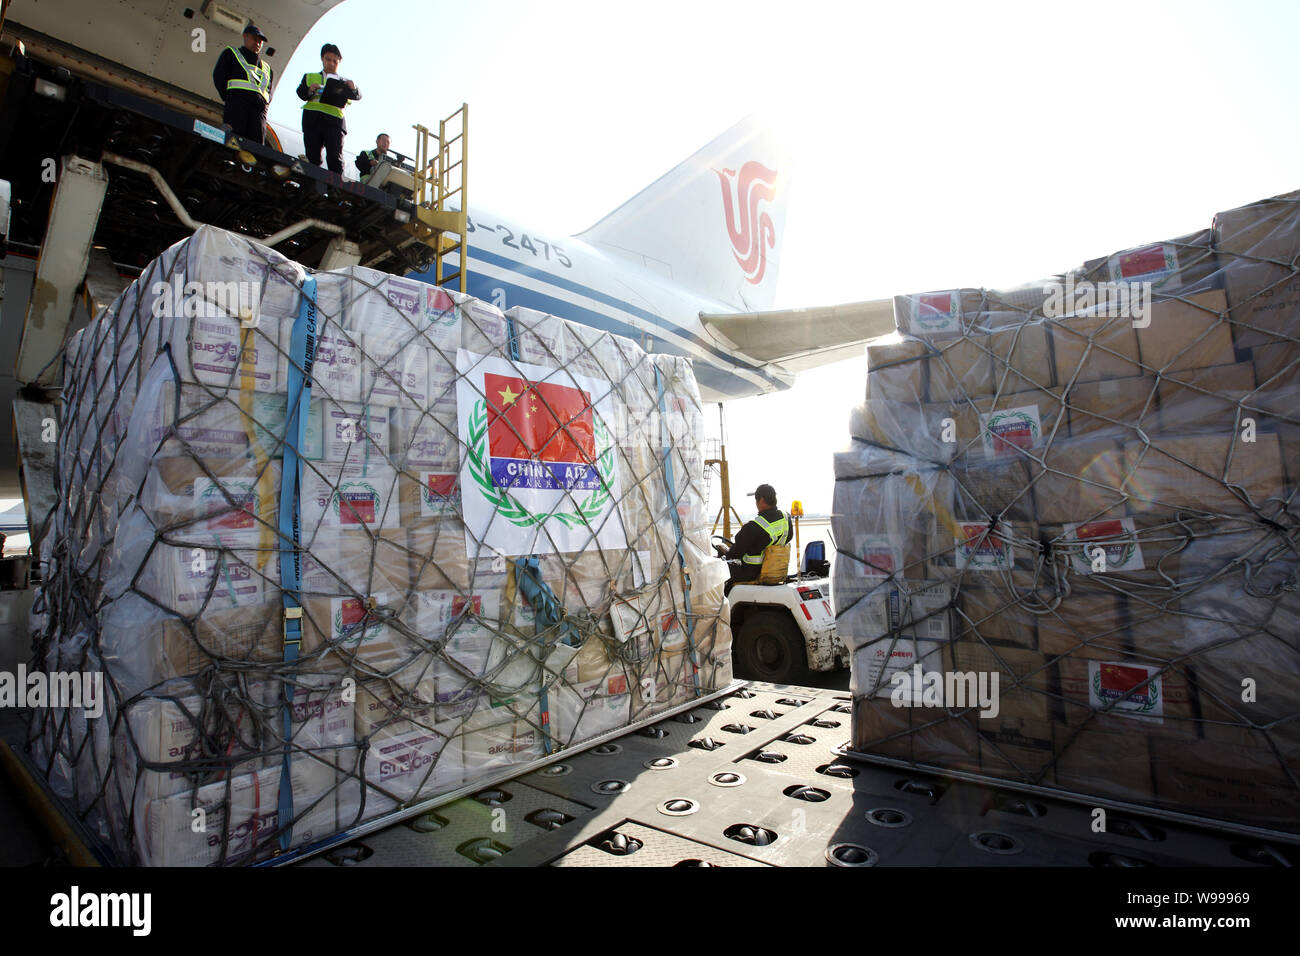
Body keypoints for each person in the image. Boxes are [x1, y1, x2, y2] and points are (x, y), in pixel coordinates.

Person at [715, 484, 791, 596]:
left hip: (751, 572)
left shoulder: (753, 527)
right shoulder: (786, 518)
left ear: (762, 500)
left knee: (715, 569)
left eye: (756, 500)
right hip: (774, 569)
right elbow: (787, 538)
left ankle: (719, 605)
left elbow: (736, 553)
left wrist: (726, 554)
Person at [296, 43, 361, 174]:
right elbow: (301, 93)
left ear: (339, 62)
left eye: (335, 61)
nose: (331, 63)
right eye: (328, 59)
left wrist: (354, 88)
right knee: (312, 157)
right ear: (322, 59)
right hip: (313, 121)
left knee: (334, 158)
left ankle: (335, 190)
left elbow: (357, 96)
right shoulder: (310, 76)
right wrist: (310, 90)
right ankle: (312, 185)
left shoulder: (345, 82)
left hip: (334, 124)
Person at [212, 24, 272, 145]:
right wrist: (230, 97)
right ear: (245, 37)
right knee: (231, 144)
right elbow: (219, 76)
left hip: (258, 116)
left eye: (261, 41)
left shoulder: (268, 68)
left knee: (255, 150)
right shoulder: (231, 54)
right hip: (236, 109)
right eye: (255, 39)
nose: (258, 43)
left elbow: (269, 93)